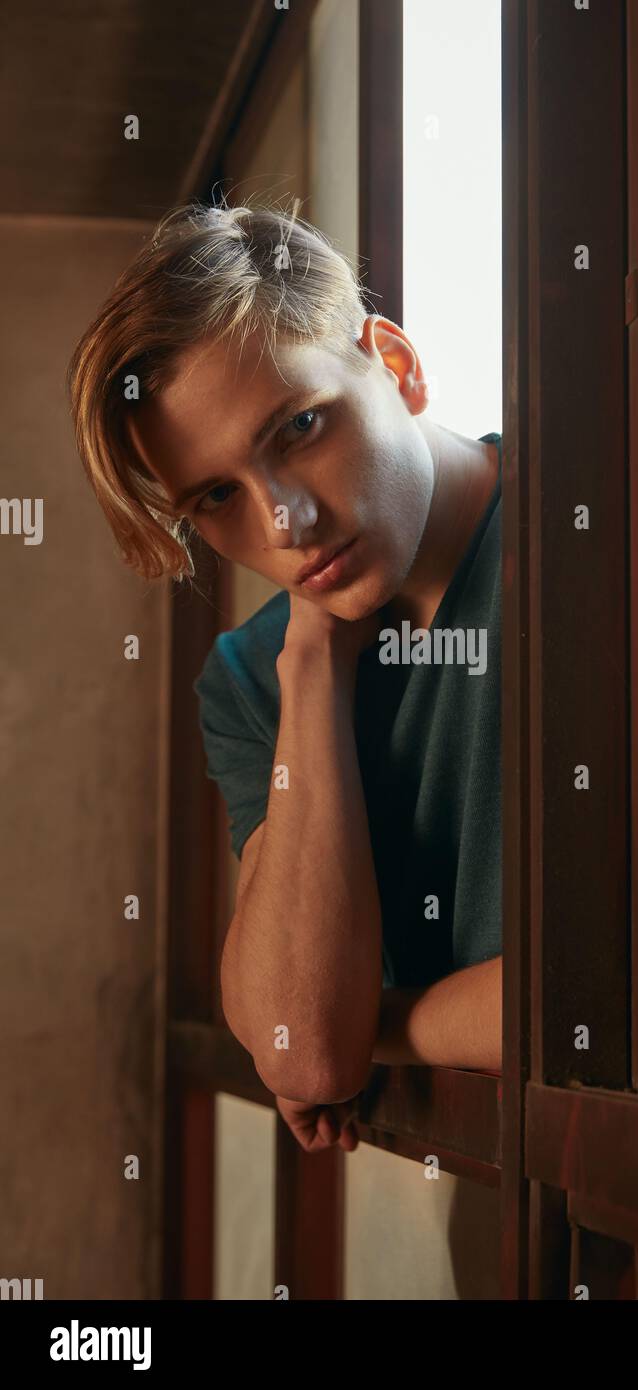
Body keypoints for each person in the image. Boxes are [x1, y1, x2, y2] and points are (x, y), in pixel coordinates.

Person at [67, 199, 503, 1155]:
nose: (284, 523)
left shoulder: (597, 517)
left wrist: (374, 1022)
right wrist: (312, 661)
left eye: (301, 426)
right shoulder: (250, 676)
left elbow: (620, 997)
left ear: (396, 364)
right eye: (218, 496)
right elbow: (304, 1055)